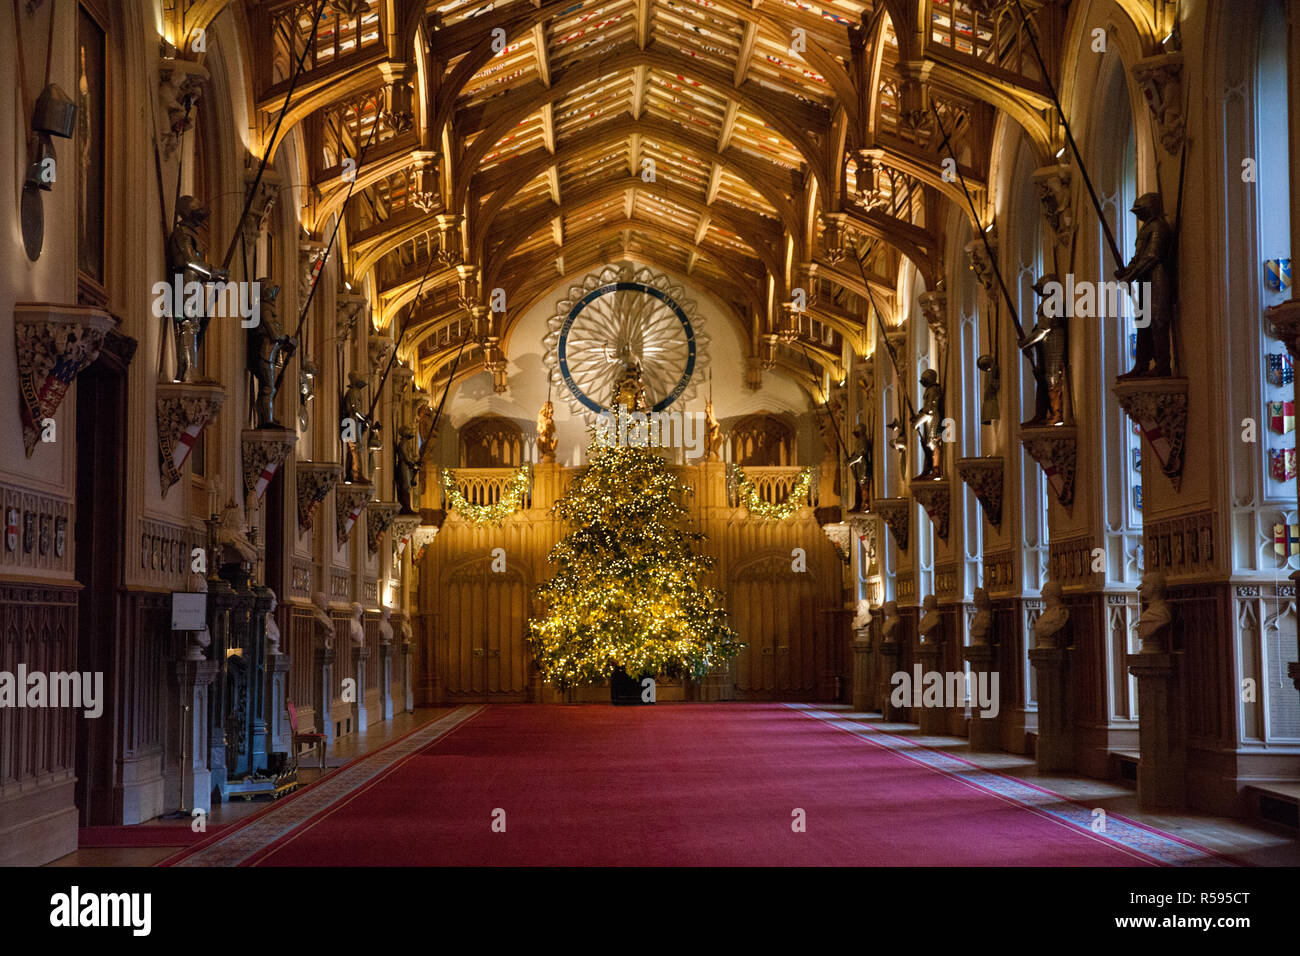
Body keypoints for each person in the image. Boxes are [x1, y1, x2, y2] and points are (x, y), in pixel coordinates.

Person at [1115, 192, 1175, 379]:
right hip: (1145, 278)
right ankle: (1141, 363)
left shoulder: (1158, 226)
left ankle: (1162, 364)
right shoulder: (1146, 229)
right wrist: (1127, 272)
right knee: (1143, 321)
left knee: (1157, 320)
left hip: (1157, 276)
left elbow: (1152, 255)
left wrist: (1131, 275)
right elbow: (1139, 256)